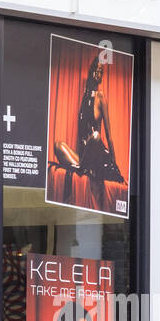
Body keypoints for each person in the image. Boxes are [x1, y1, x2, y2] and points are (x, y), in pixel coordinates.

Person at [52, 54, 125, 210]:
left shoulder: (101, 97)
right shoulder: (85, 98)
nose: (96, 74)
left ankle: (83, 168)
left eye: (100, 71)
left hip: (98, 155)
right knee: (58, 145)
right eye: (94, 70)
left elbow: (109, 134)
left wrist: (114, 162)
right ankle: (82, 168)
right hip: (84, 158)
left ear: (101, 77)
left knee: (96, 136)